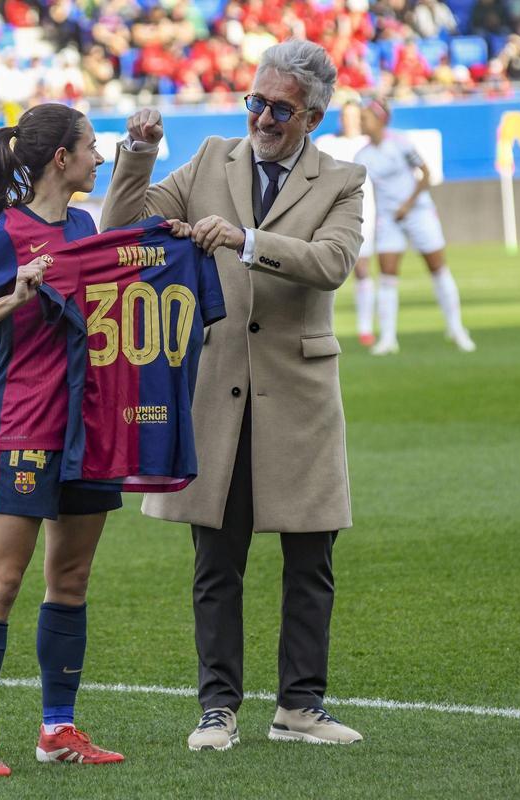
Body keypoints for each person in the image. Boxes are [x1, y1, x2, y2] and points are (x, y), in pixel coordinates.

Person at [101, 39, 365, 752]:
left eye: (279, 108)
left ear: (311, 116)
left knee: (311, 559)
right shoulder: (212, 156)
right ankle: (217, 710)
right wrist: (138, 151)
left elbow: (333, 263)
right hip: (215, 390)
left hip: (302, 396)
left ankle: (300, 707)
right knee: (216, 560)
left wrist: (248, 241)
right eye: (255, 100)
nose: (262, 116)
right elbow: (119, 228)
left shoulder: (343, 178)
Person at [0, 103, 125, 778]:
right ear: (60, 160)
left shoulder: (84, 225)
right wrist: (13, 297)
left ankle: (57, 728)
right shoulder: (2, 236)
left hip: (87, 427)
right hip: (23, 425)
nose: (98, 159)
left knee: (69, 579)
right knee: (4, 580)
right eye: (92, 148)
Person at [354, 98, 476, 355]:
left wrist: (408, 205)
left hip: (418, 212)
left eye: (365, 117)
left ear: (379, 120)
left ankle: (456, 328)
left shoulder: (401, 143)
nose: (361, 121)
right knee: (387, 275)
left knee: (438, 268)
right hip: (389, 218)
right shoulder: (362, 155)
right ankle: (388, 338)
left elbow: (426, 174)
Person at [315, 99, 377, 345]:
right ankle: (321, 327)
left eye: (355, 116)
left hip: (366, 215)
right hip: (328, 216)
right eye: (346, 116)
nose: (350, 121)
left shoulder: (370, 144)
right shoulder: (327, 144)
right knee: (323, 270)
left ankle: (365, 328)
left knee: (362, 269)